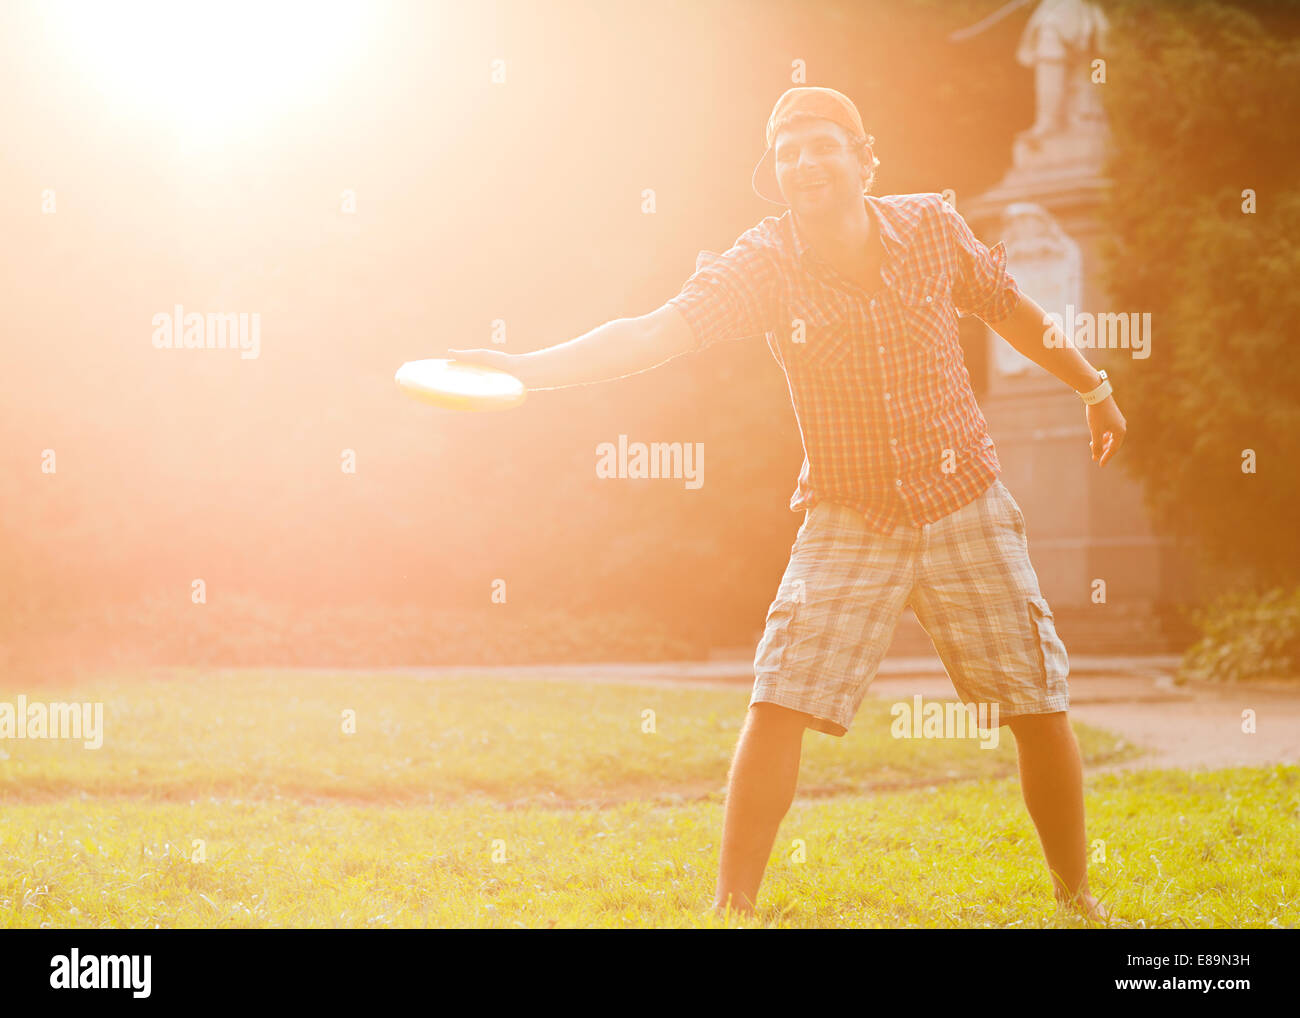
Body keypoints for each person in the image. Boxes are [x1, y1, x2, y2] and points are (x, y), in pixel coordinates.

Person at [449, 86, 1127, 924]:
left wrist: (1092, 385)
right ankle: (734, 909)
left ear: (864, 157)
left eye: (822, 144)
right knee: (778, 697)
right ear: (776, 173)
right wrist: (526, 367)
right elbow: (653, 331)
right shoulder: (762, 263)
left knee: (1035, 699)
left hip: (965, 500)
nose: (805, 161)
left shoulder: (930, 227)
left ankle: (1077, 898)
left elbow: (1008, 306)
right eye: (788, 151)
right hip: (850, 513)